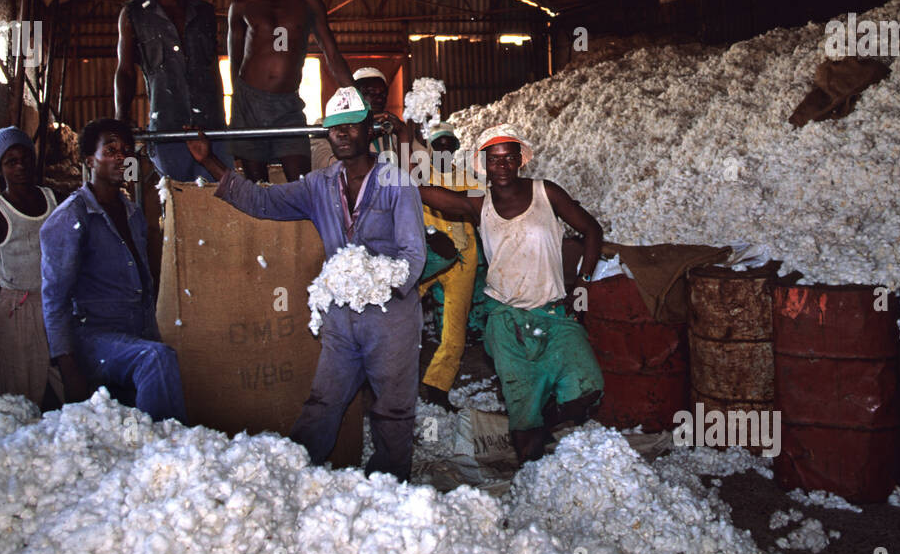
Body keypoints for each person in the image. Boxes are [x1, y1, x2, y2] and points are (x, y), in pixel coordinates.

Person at [186, 87, 425, 480]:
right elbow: (263, 203)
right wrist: (210, 161)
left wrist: (372, 281)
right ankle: (298, 478)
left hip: (391, 317)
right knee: (323, 401)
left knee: (393, 410)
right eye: (334, 129)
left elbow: (413, 257)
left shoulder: (397, 183)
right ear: (326, 135)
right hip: (340, 319)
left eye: (351, 126)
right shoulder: (319, 185)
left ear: (369, 130)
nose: (343, 134)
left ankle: (390, 487)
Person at [416, 125, 604, 463]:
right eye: (494, 159)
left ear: (520, 160)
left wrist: (583, 283)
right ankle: (530, 468)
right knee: (523, 414)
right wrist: (397, 181)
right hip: (506, 321)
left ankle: (544, 420)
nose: (501, 165)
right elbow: (432, 194)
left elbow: (592, 229)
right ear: (484, 164)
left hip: (553, 314)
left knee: (587, 388)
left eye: (508, 158)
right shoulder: (480, 205)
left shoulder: (547, 193)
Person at [40, 118, 187, 423]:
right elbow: (55, 300)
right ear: (89, 161)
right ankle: (165, 458)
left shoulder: (132, 213)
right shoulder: (71, 217)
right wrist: (69, 372)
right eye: (110, 149)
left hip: (134, 335)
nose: (121, 157)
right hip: (94, 339)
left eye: (126, 150)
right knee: (156, 361)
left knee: (136, 410)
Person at [227, 0, 355, 181]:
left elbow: (332, 54)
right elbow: (234, 61)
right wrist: (237, 110)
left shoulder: (307, 2)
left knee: (301, 181)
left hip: (288, 105)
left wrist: (356, 98)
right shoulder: (242, 5)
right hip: (249, 103)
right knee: (257, 186)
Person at [116, 0, 230, 180]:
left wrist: (224, 117)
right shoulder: (134, 14)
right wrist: (121, 118)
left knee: (219, 191)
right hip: (167, 121)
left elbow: (213, 67)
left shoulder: (204, 11)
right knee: (176, 194)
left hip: (210, 123)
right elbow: (125, 70)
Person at [0, 127, 63, 409]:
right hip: (16, 309)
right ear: (0, 169)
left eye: (26, 159)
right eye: (11, 162)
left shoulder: (54, 200)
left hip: (53, 302)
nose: (21, 166)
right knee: (21, 390)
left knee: (63, 378)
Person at [417, 126, 481, 408]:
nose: (444, 150)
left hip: (463, 258)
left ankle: (437, 386)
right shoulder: (419, 177)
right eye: (438, 145)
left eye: (448, 145)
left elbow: (481, 215)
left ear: (455, 148)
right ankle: (392, 381)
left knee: (455, 330)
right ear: (430, 149)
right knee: (399, 317)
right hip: (427, 258)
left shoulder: (468, 178)